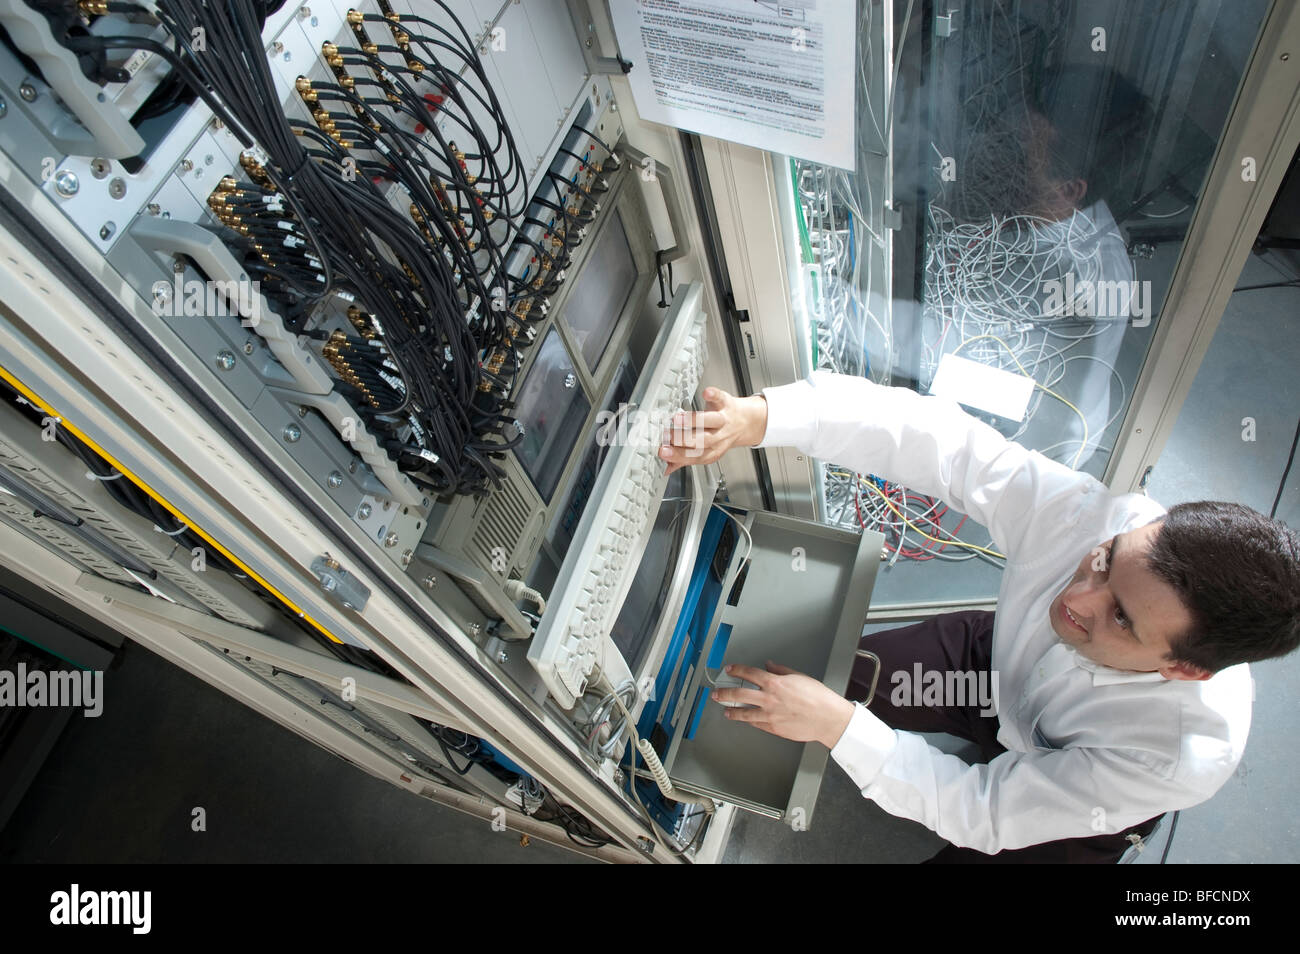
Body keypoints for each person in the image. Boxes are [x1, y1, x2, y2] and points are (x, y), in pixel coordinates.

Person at [657, 375, 1300, 862]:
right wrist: (768, 417)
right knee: (835, 676)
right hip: (990, 668)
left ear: (1182, 669)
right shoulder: (1103, 520)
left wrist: (838, 728)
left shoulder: (1173, 757)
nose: (1074, 603)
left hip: (1077, 783)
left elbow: (984, 809)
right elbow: (945, 444)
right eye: (1103, 564)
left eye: (1123, 621)